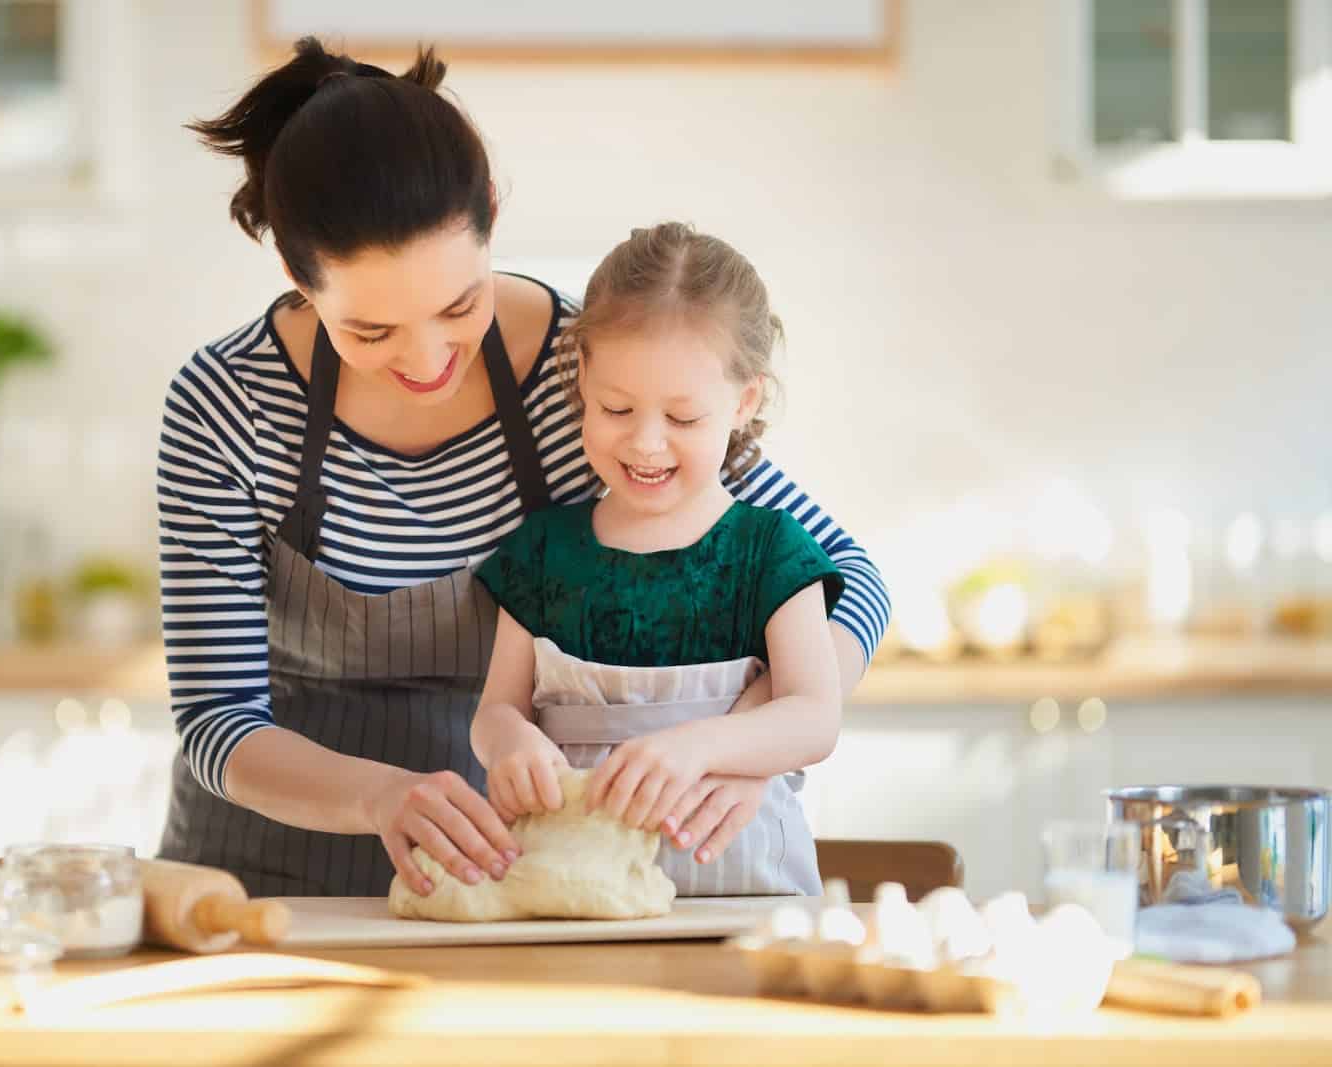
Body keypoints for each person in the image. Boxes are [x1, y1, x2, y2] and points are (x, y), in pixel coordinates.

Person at [155, 37, 891, 898]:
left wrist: (745, 750)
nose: (428, 359)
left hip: (509, 867)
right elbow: (216, 721)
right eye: (370, 332)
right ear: (294, 273)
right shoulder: (224, 403)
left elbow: (853, 582)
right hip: (264, 874)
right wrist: (379, 794)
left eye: (458, 304)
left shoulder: (589, 372)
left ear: (493, 213)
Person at [470, 222, 840, 896]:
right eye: (616, 407)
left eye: (683, 418)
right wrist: (508, 746)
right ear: (582, 377)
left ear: (744, 401)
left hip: (744, 901)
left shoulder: (772, 550)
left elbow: (815, 714)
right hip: (567, 901)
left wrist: (700, 746)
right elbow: (497, 708)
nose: (645, 443)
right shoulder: (543, 549)